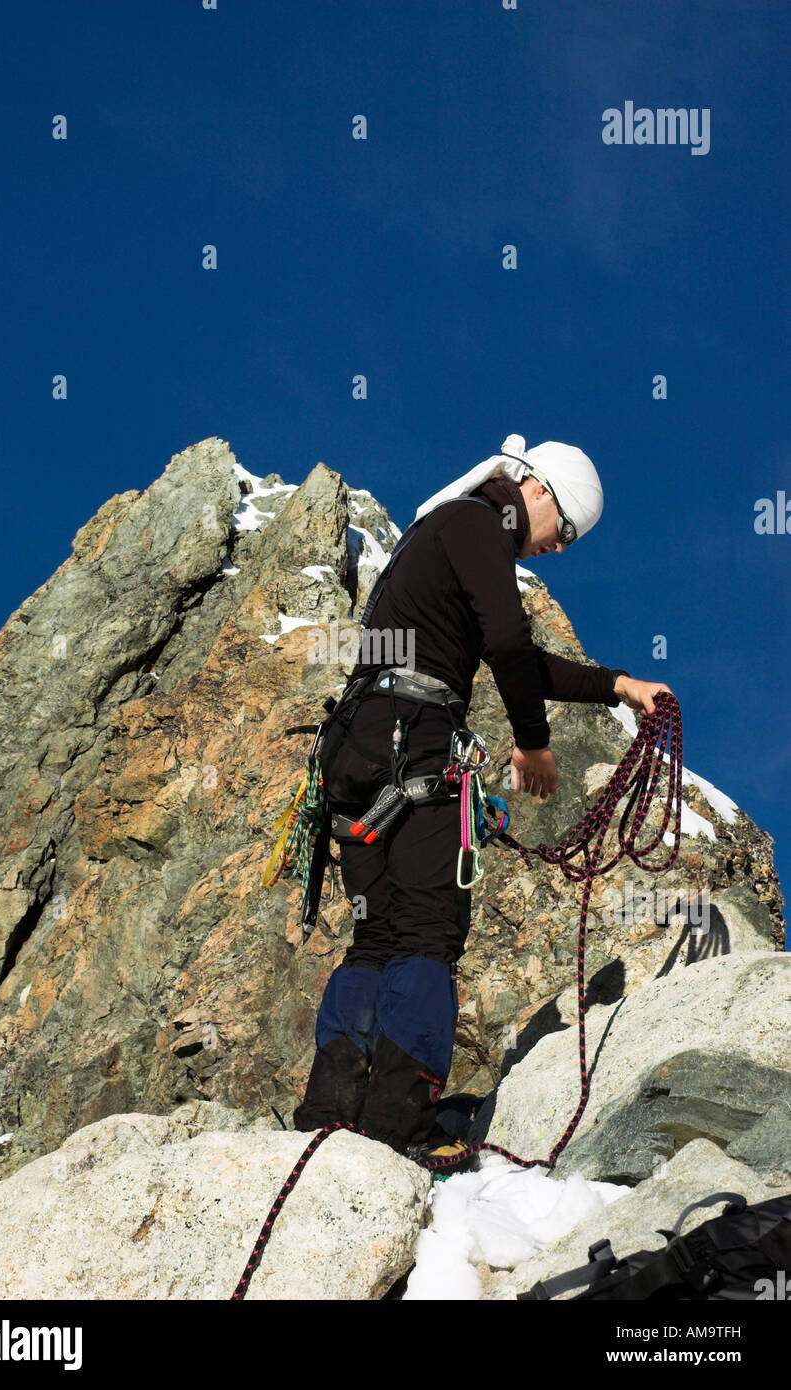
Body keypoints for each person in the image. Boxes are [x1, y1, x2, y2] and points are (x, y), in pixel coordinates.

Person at [293, 435, 672, 1159]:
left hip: (359, 752)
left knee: (378, 935)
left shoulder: (441, 537)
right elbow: (505, 638)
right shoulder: (477, 526)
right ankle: (399, 1120)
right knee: (430, 931)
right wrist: (532, 741)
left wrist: (617, 684)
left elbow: (517, 653)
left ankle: (333, 1109)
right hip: (414, 744)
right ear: (536, 491)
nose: (558, 549)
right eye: (563, 530)